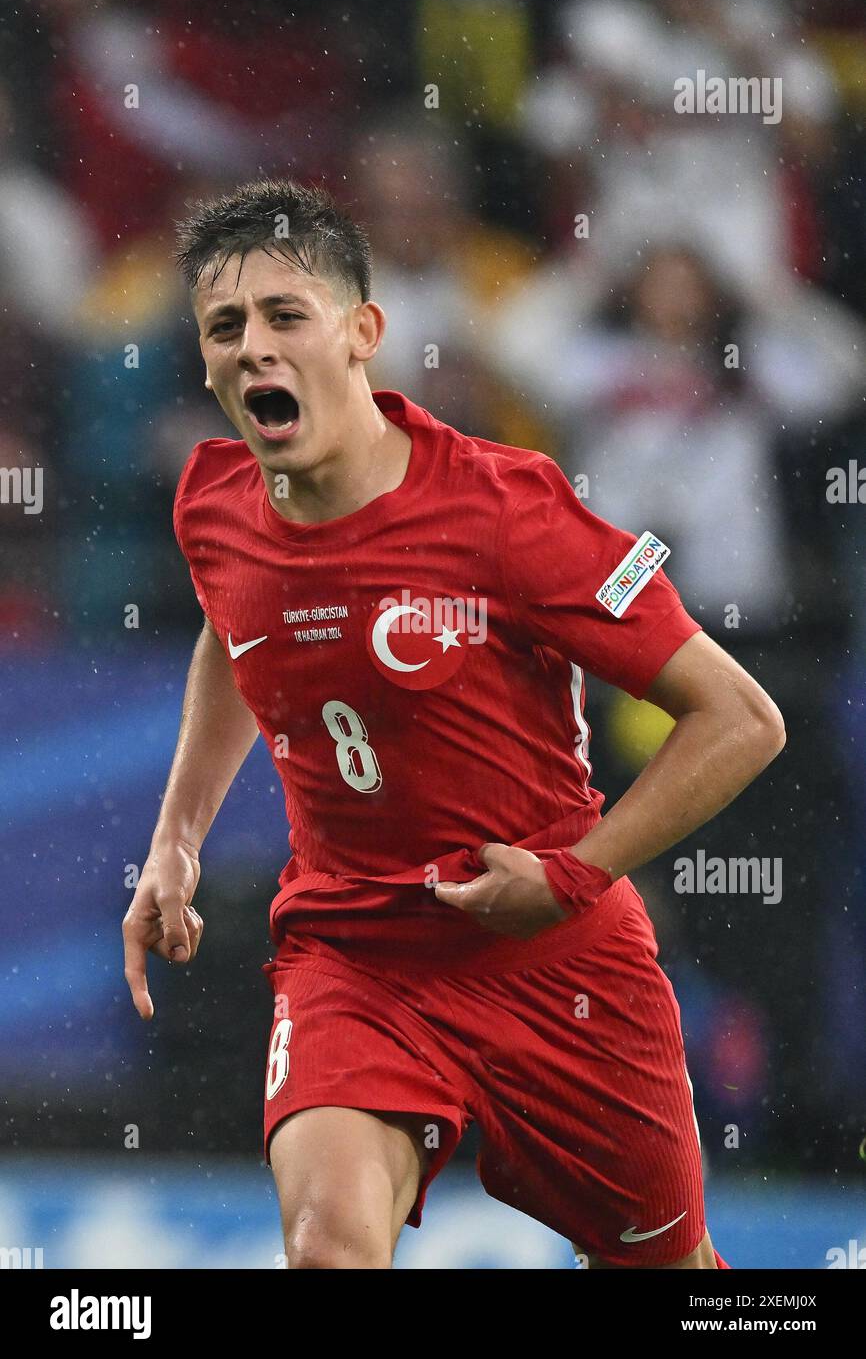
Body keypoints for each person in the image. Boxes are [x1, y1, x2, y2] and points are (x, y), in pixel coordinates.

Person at [122, 178, 785, 1270]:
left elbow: (740, 718)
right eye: (224, 327)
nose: (253, 349)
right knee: (328, 1246)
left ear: (361, 333)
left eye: (286, 316)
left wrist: (571, 874)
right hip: (356, 950)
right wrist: (177, 837)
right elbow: (230, 633)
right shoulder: (212, 501)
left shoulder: (505, 512)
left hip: (557, 959)